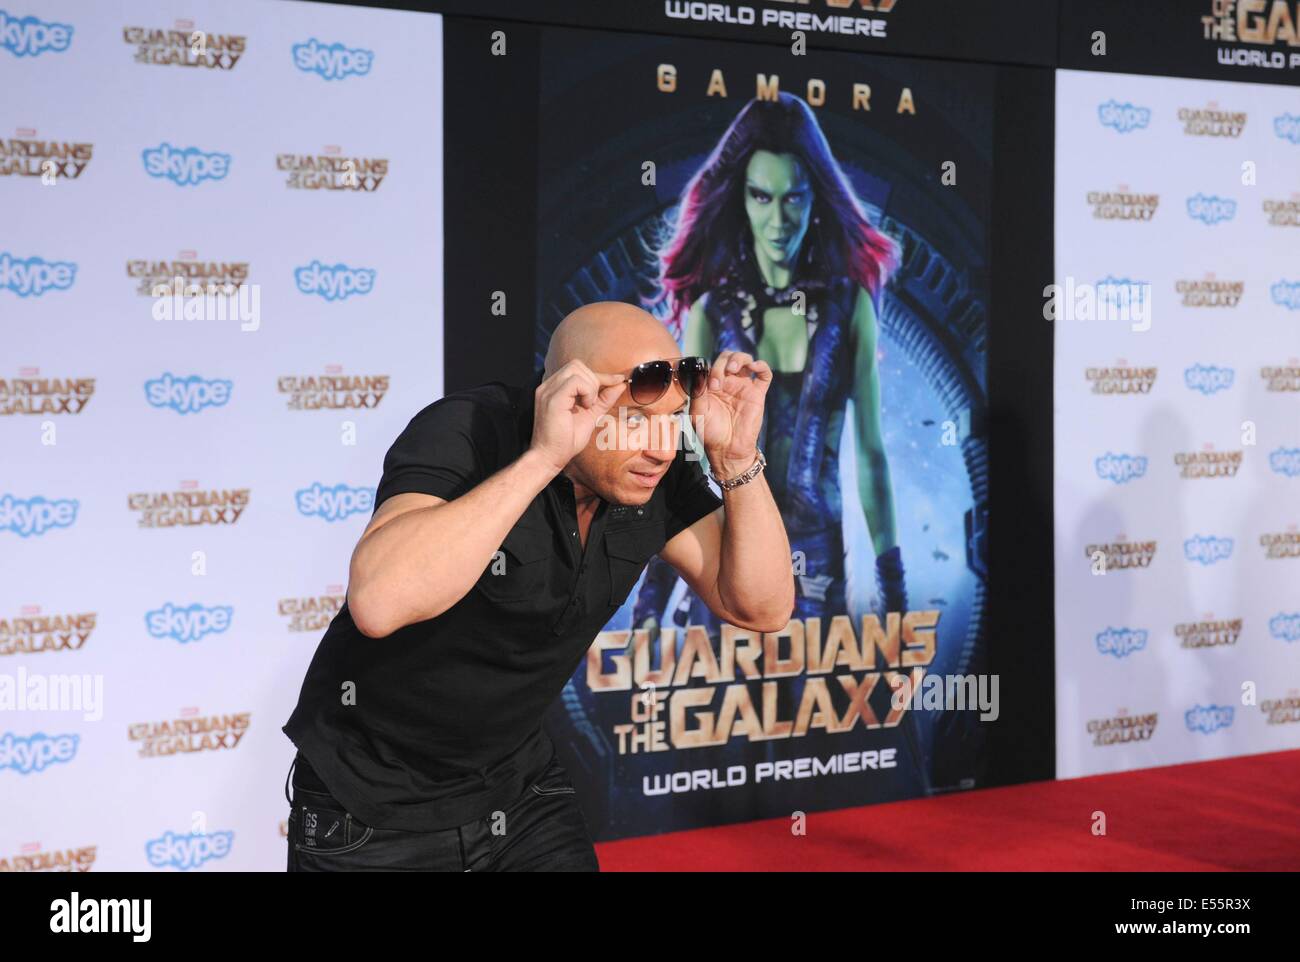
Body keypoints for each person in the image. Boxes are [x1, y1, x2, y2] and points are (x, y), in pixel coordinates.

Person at [281, 300, 794, 871]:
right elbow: (378, 602)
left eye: (673, 421)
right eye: (634, 419)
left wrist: (737, 461)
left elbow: (761, 606)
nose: (662, 447)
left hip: (519, 792)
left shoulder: (653, 475)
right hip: (370, 810)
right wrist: (545, 457)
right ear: (568, 394)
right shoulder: (469, 429)